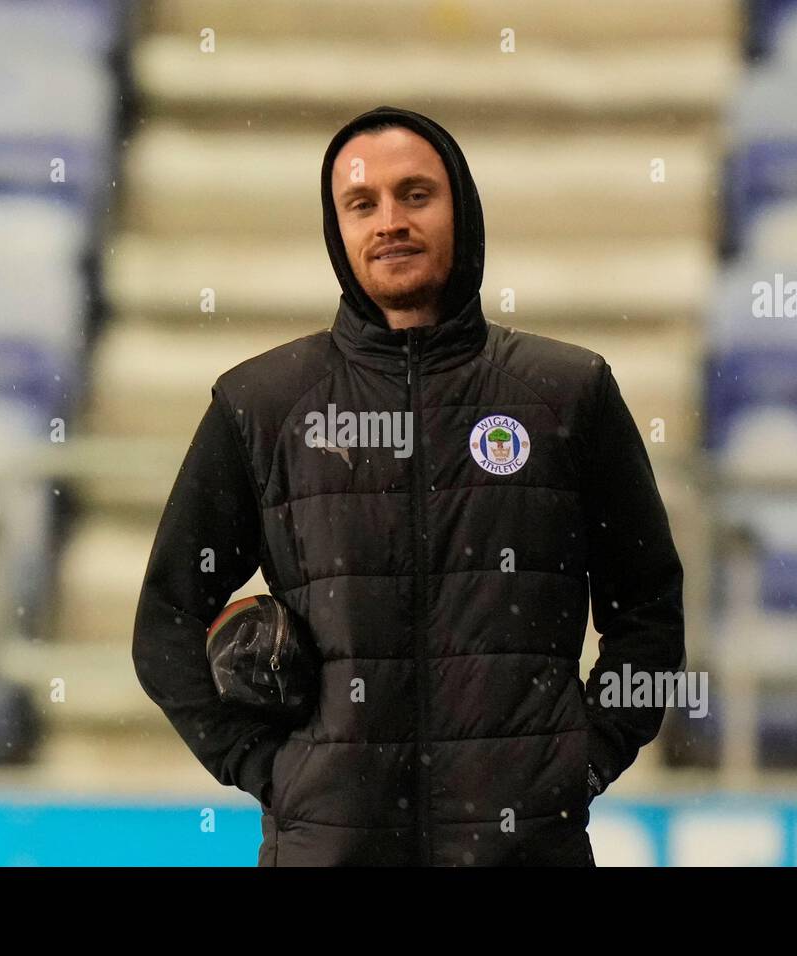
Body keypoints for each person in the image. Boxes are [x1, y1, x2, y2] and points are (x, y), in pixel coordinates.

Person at [133, 105, 685, 866]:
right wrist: (268, 772)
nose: (388, 220)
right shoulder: (261, 404)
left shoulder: (568, 393)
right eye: (362, 204)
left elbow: (648, 609)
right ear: (338, 230)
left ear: (462, 208)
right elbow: (166, 615)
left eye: (415, 195)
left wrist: (580, 763)